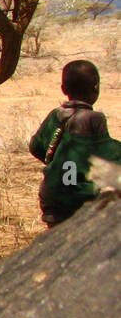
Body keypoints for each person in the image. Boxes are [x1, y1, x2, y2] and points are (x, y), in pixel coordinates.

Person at [29, 59, 121, 226]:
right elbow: (106, 152)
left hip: (53, 196)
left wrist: (58, 161)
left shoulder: (55, 115)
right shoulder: (94, 118)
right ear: (96, 88)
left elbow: (35, 147)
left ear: (63, 89)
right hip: (78, 199)